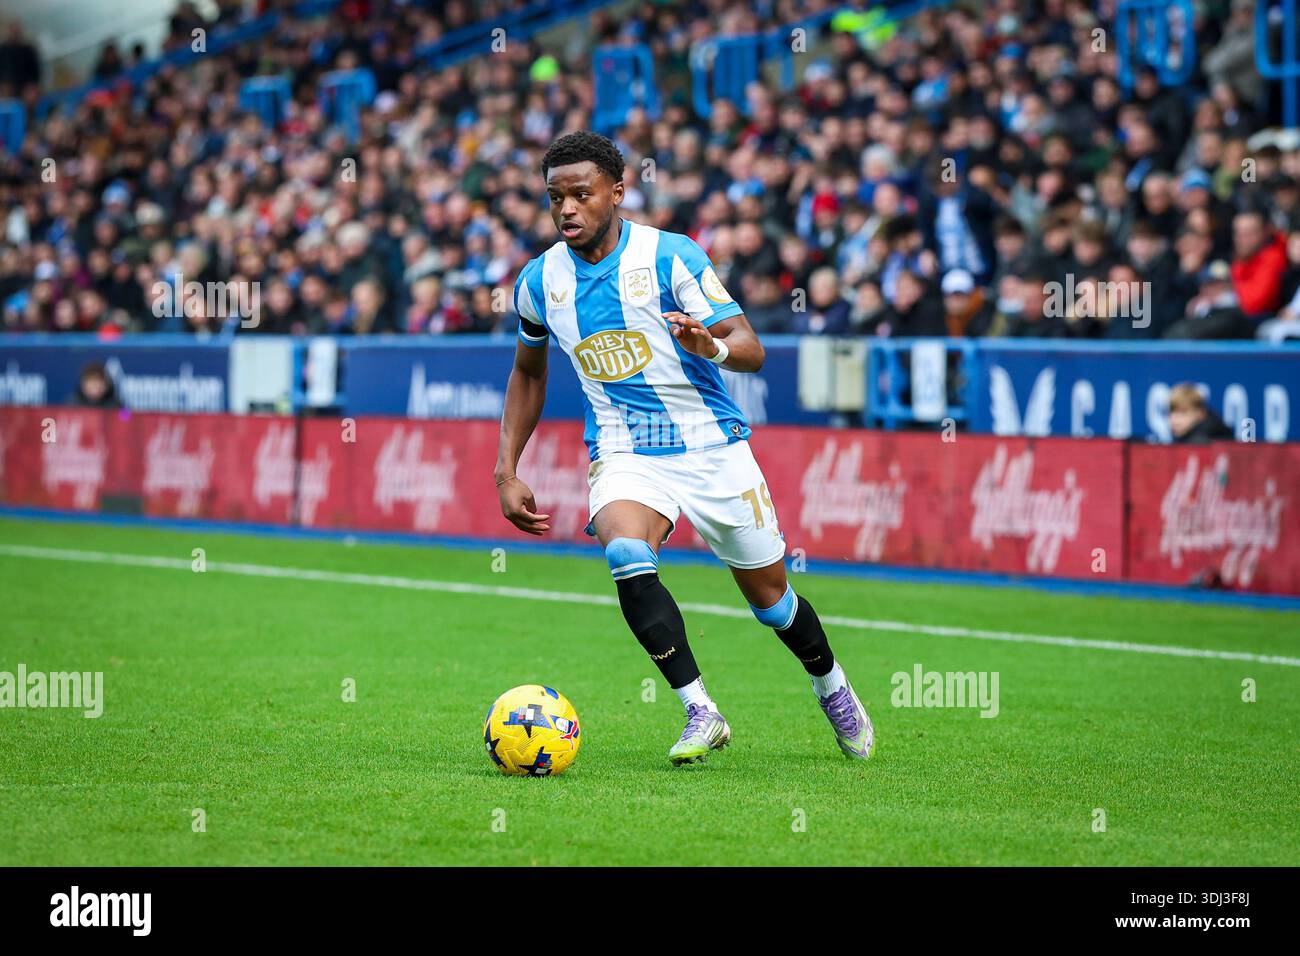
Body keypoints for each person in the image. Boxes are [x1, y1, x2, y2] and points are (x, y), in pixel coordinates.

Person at [495, 131, 873, 766]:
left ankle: (831, 685)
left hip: (711, 447)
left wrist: (712, 347)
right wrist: (507, 467)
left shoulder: (671, 258)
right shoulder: (538, 282)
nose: (567, 210)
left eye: (581, 195)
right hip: (625, 450)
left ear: (617, 191)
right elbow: (529, 373)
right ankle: (701, 709)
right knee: (623, 547)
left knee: (774, 604)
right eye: (555, 197)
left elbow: (750, 348)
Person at [1168, 383, 1235, 443]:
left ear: (1200, 413)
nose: (1174, 419)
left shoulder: (1201, 442)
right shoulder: (1184, 438)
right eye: (1171, 411)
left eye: (1183, 412)